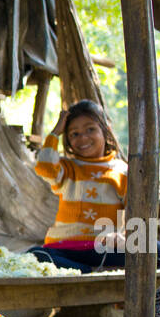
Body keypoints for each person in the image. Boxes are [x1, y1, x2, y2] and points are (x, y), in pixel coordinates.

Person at [31, 100, 127, 273]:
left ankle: (81, 269)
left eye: (90, 129)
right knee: (34, 254)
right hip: (65, 248)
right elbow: (44, 166)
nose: (83, 138)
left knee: (156, 250)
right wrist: (55, 131)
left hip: (102, 248)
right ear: (66, 139)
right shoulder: (66, 168)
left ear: (105, 130)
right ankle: (87, 271)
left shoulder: (122, 170)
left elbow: (134, 210)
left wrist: (123, 235)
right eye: (74, 134)